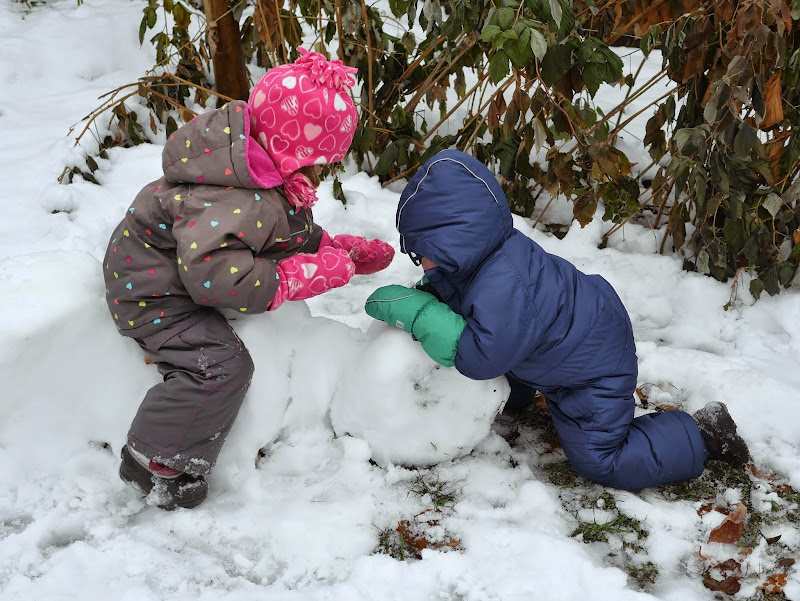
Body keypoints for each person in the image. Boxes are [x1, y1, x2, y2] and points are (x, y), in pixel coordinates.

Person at [104, 49, 394, 509]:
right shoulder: (232, 196)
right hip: (153, 292)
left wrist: (331, 249)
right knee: (219, 366)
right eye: (320, 163)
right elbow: (218, 280)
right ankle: (154, 458)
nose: (323, 172)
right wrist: (298, 276)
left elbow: (273, 229)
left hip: (180, 270)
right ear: (293, 152)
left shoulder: (254, 169)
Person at [365, 149, 748, 490]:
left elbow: (481, 357)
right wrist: (433, 293)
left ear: (452, 243)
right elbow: (469, 302)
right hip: (565, 336)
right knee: (502, 346)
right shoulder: (480, 257)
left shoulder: (505, 282)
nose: (420, 262)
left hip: (593, 366)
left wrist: (421, 313)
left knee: (601, 458)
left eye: (422, 252)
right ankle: (515, 394)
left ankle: (702, 433)